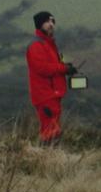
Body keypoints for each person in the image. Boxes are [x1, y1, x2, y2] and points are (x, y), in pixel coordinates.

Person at [26, 11, 75, 145]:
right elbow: (42, 68)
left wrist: (65, 67)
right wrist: (64, 69)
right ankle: (47, 160)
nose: (51, 24)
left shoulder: (48, 44)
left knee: (52, 130)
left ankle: (48, 159)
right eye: (47, 22)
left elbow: (52, 65)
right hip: (45, 95)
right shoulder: (36, 45)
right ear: (39, 24)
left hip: (53, 94)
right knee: (50, 131)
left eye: (53, 21)